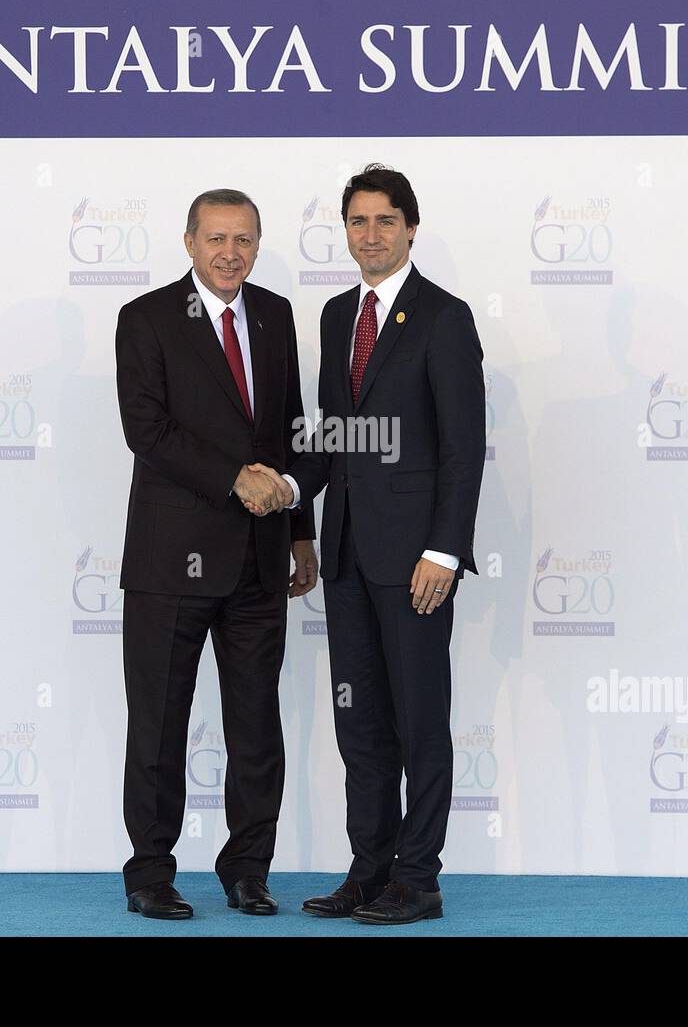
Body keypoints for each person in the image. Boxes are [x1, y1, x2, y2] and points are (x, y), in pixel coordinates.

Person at [269, 164, 485, 923]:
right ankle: (370, 869)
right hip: (351, 559)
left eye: (385, 221)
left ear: (411, 228)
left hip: (417, 564)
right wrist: (293, 495)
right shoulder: (335, 316)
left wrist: (445, 551)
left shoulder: (444, 317)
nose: (371, 235)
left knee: (420, 721)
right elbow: (334, 436)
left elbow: (463, 448)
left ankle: (418, 877)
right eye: (358, 222)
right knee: (359, 720)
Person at [114, 189, 318, 920]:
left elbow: (291, 426)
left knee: (256, 725)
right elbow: (147, 428)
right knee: (160, 723)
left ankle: (248, 869)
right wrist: (233, 478)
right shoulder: (145, 319)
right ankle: (150, 873)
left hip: (261, 562)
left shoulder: (273, 314)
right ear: (189, 242)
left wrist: (301, 530)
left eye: (244, 239)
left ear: (258, 244)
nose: (230, 252)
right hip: (172, 562)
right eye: (216, 238)